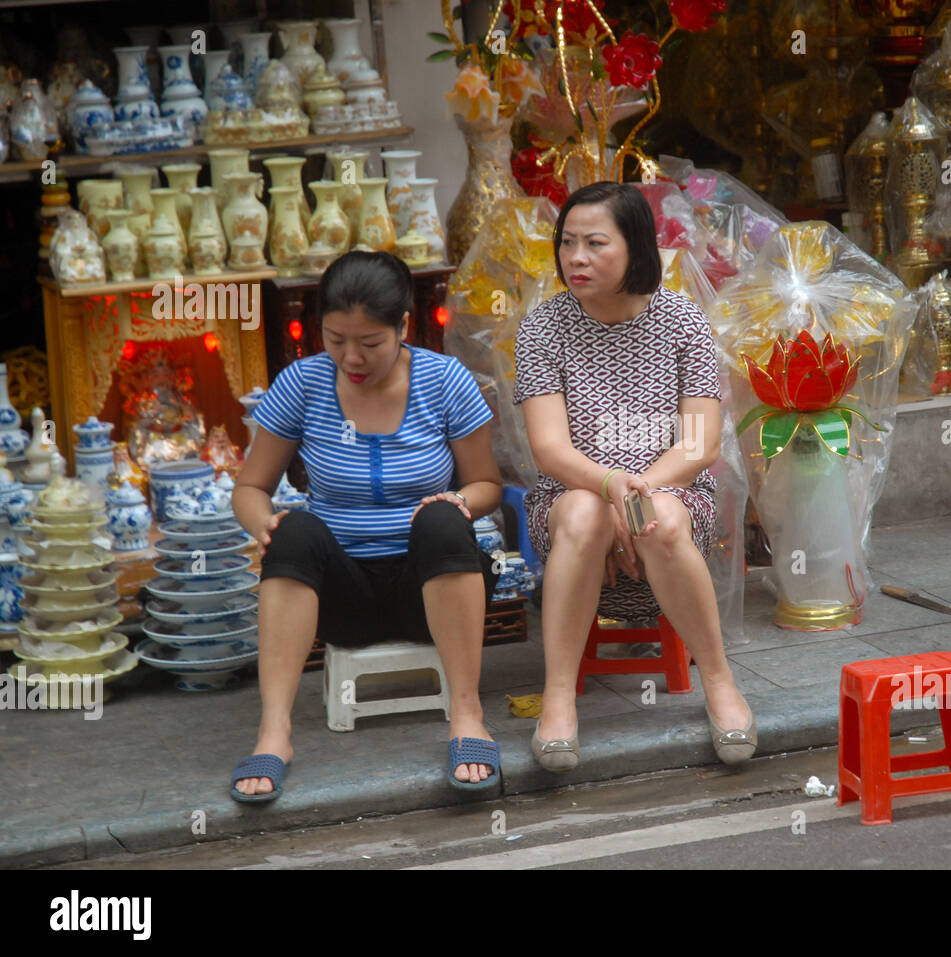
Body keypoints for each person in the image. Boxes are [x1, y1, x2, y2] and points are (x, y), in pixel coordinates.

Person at [230, 251, 504, 801]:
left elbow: (487, 486)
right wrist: (264, 524)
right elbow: (250, 488)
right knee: (295, 529)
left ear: (403, 326)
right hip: (342, 596)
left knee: (444, 519)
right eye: (335, 339)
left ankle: (468, 716)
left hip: (429, 587)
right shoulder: (302, 384)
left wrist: (456, 501)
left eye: (371, 343)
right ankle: (274, 732)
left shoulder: (444, 380)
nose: (351, 357)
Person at [513, 181, 757, 771]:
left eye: (595, 243)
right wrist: (609, 487)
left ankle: (720, 683)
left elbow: (698, 443)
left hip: (669, 493)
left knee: (662, 520)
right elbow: (549, 449)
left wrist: (636, 491)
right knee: (580, 510)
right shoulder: (542, 328)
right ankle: (558, 699)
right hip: (574, 498)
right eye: (567, 243)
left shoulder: (683, 322)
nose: (576, 257)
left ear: (637, 247)